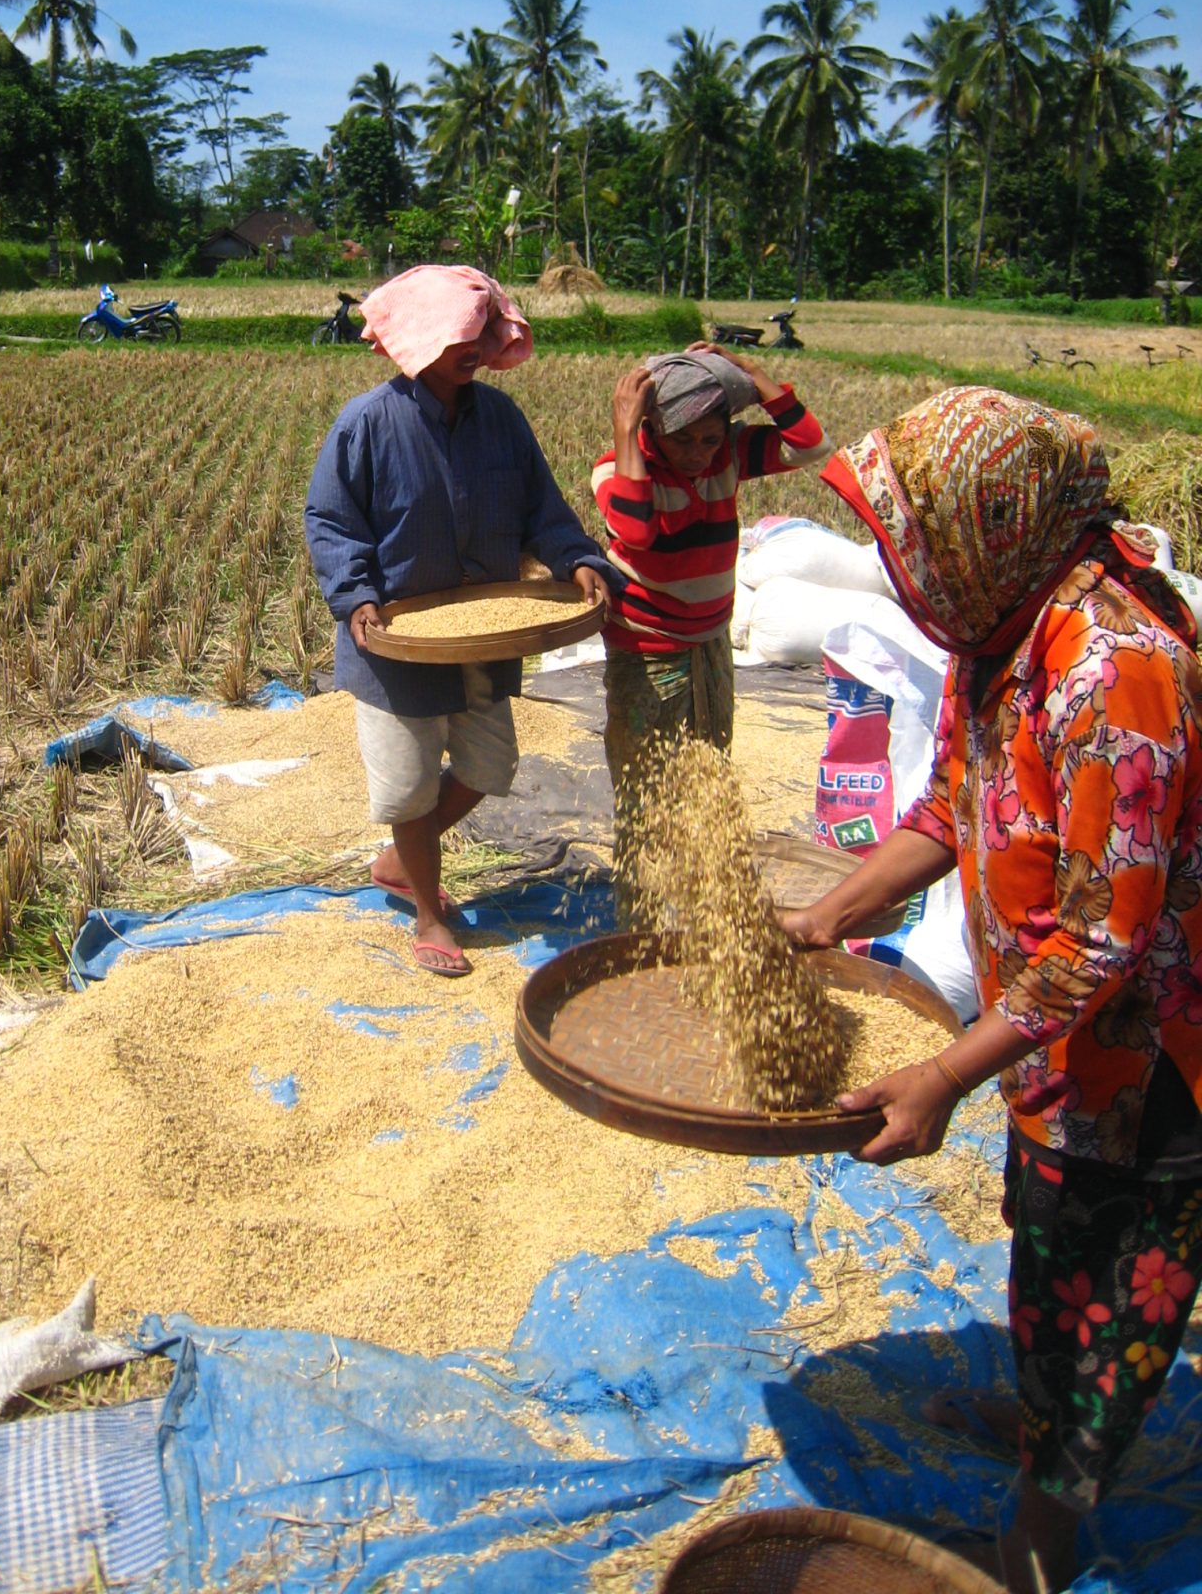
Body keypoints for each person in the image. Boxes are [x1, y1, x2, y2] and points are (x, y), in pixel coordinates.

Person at [780, 385, 1202, 1594]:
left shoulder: (1119, 675)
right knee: (1049, 1240)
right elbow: (953, 805)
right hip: (1055, 1037)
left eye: (915, 540)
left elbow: (1104, 939)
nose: (903, 571)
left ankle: (1044, 1526)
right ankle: (1040, 1410)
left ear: (991, 524)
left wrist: (944, 1073)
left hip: (1155, 1059)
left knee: (1114, 1294)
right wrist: (830, 915)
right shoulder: (1005, 624)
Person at [304, 264, 612, 977]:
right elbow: (330, 520)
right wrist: (357, 597)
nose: (470, 349)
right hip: (396, 645)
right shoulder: (368, 424)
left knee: (489, 766)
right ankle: (430, 911)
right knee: (408, 785)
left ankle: (397, 858)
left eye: (477, 334)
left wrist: (577, 558)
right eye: (453, 339)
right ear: (415, 343)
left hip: (482, 630)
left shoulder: (501, 420)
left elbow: (543, 508)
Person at [591, 344, 830, 794]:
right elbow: (635, 531)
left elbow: (811, 444)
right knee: (648, 781)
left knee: (708, 767)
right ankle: (645, 866)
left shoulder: (730, 456)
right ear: (652, 427)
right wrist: (625, 433)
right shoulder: (614, 470)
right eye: (682, 439)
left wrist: (752, 374)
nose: (698, 454)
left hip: (710, 639)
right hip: (648, 647)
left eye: (710, 439)